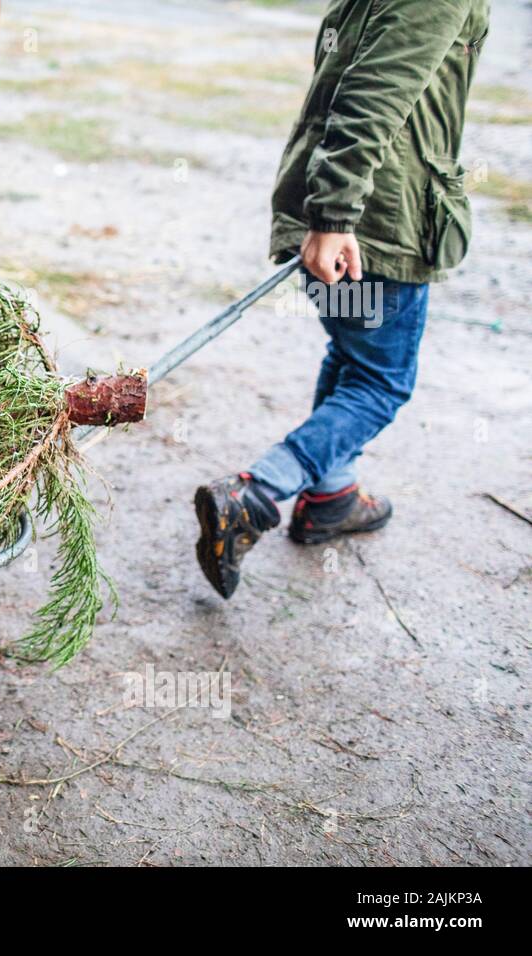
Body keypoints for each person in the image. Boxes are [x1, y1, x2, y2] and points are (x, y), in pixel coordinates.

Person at [195, 0, 491, 599]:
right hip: (371, 224)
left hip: (342, 218)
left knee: (353, 357)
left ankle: (331, 497)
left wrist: (326, 212)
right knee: (382, 383)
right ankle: (257, 492)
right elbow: (373, 95)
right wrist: (334, 215)